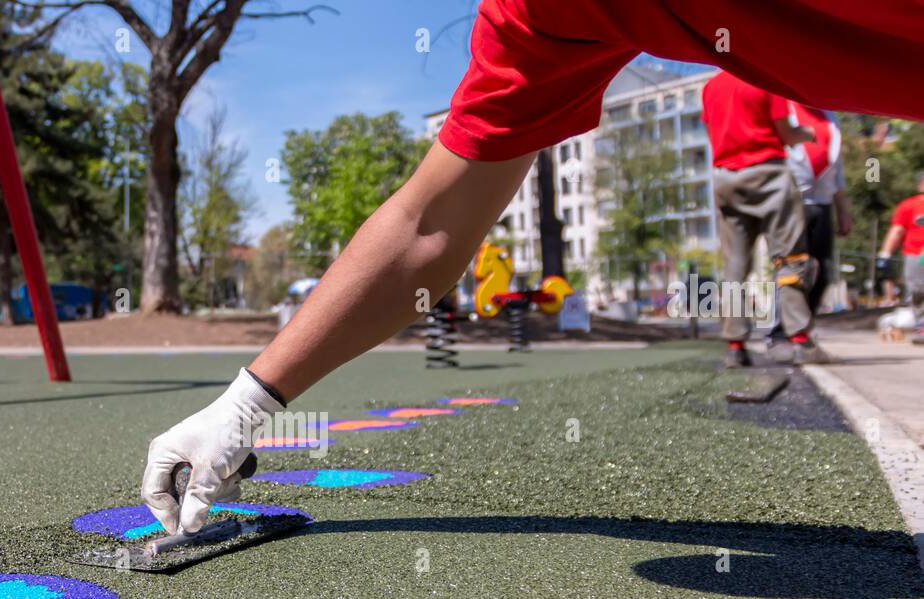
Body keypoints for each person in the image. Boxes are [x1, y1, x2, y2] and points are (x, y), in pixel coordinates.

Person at [143, 0, 924, 535]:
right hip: (782, 148)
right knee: (771, 258)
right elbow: (428, 226)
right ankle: (774, 334)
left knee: (771, 256)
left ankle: (775, 333)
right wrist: (246, 402)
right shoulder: (537, 14)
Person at [701, 72, 823, 367]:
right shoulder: (765, 79)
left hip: (727, 180)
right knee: (789, 258)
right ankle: (800, 341)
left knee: (735, 266)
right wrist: (809, 133)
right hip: (769, 176)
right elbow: (786, 135)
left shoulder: (710, 88)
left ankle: (735, 346)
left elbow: (712, 134)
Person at [770, 103, 853, 349]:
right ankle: (780, 331)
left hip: (823, 202)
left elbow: (837, 169)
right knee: (792, 268)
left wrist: (843, 209)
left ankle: (803, 325)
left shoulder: (829, 115)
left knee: (824, 272)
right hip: (792, 200)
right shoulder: (785, 109)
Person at [876, 170, 924, 343]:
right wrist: (885, 253)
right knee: (917, 291)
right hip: (915, 256)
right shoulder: (909, 206)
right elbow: (897, 230)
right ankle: (921, 326)